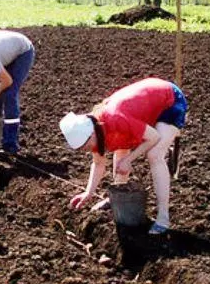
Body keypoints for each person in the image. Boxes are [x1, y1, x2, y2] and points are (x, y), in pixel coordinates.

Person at [59, 77, 188, 234]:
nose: (87, 150)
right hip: (145, 106)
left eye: (86, 146)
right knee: (120, 144)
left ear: (91, 134)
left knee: (154, 154)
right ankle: (117, 197)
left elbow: (154, 137)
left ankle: (163, 217)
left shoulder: (115, 119)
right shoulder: (94, 130)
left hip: (169, 100)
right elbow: (98, 164)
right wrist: (88, 193)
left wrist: (129, 159)